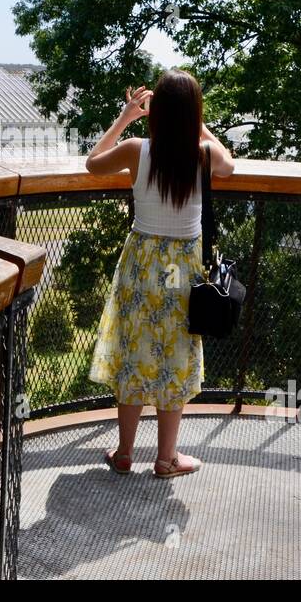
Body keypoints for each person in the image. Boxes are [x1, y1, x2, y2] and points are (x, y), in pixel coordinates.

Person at [84, 70, 235, 478]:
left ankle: (124, 453)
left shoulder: (136, 150)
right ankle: (167, 459)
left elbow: (92, 163)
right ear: (192, 115)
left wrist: (124, 117)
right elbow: (231, 166)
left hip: (141, 263)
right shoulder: (203, 155)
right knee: (176, 358)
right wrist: (200, 127)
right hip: (183, 270)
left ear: (157, 112)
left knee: (134, 354)